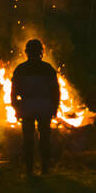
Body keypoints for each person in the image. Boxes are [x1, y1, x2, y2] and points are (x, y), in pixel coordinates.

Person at [11, 39, 60, 176]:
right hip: (44, 107)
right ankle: (45, 169)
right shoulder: (48, 69)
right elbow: (55, 91)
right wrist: (55, 107)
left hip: (26, 107)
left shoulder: (20, 69)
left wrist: (16, 108)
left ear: (27, 52)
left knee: (28, 139)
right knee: (44, 138)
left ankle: (29, 170)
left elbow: (14, 92)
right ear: (41, 52)